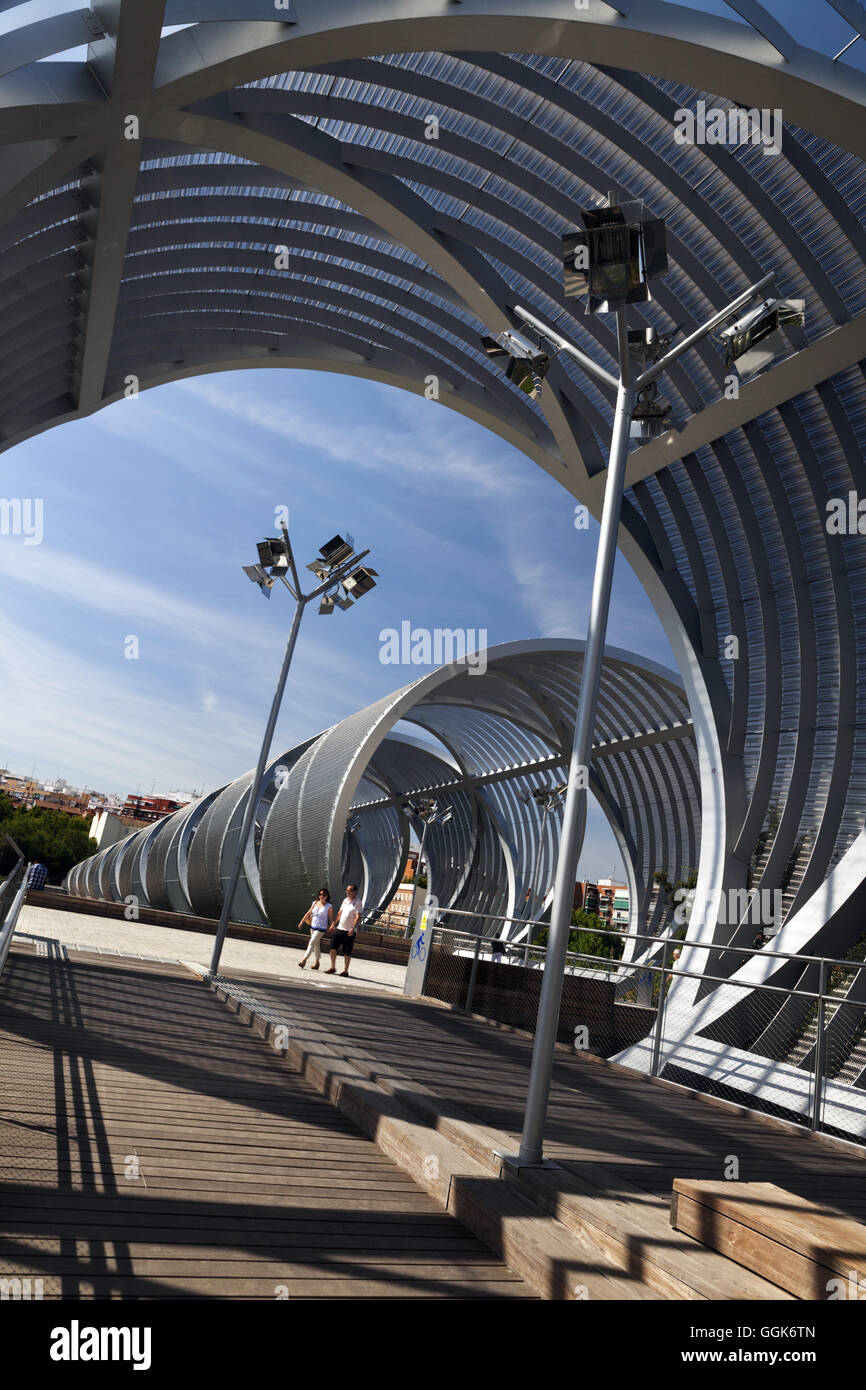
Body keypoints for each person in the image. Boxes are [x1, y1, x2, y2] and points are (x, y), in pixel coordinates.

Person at [326, 883, 363, 977]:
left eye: (349, 890)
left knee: (347, 951)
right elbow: (340, 913)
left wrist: (353, 928)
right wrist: (334, 923)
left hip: (349, 931)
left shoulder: (358, 902)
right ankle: (333, 967)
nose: (347, 892)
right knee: (332, 947)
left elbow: (358, 916)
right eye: (347, 890)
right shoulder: (345, 900)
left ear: (354, 891)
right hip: (340, 928)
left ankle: (345, 971)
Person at [297, 888, 333, 970]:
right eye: (320, 894)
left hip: (321, 928)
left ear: (327, 896)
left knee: (312, 942)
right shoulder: (315, 903)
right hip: (313, 926)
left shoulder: (329, 906)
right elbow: (309, 912)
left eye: (323, 895)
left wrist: (332, 925)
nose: (321, 896)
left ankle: (304, 960)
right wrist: (302, 922)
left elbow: (331, 919)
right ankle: (317, 963)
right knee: (316, 945)